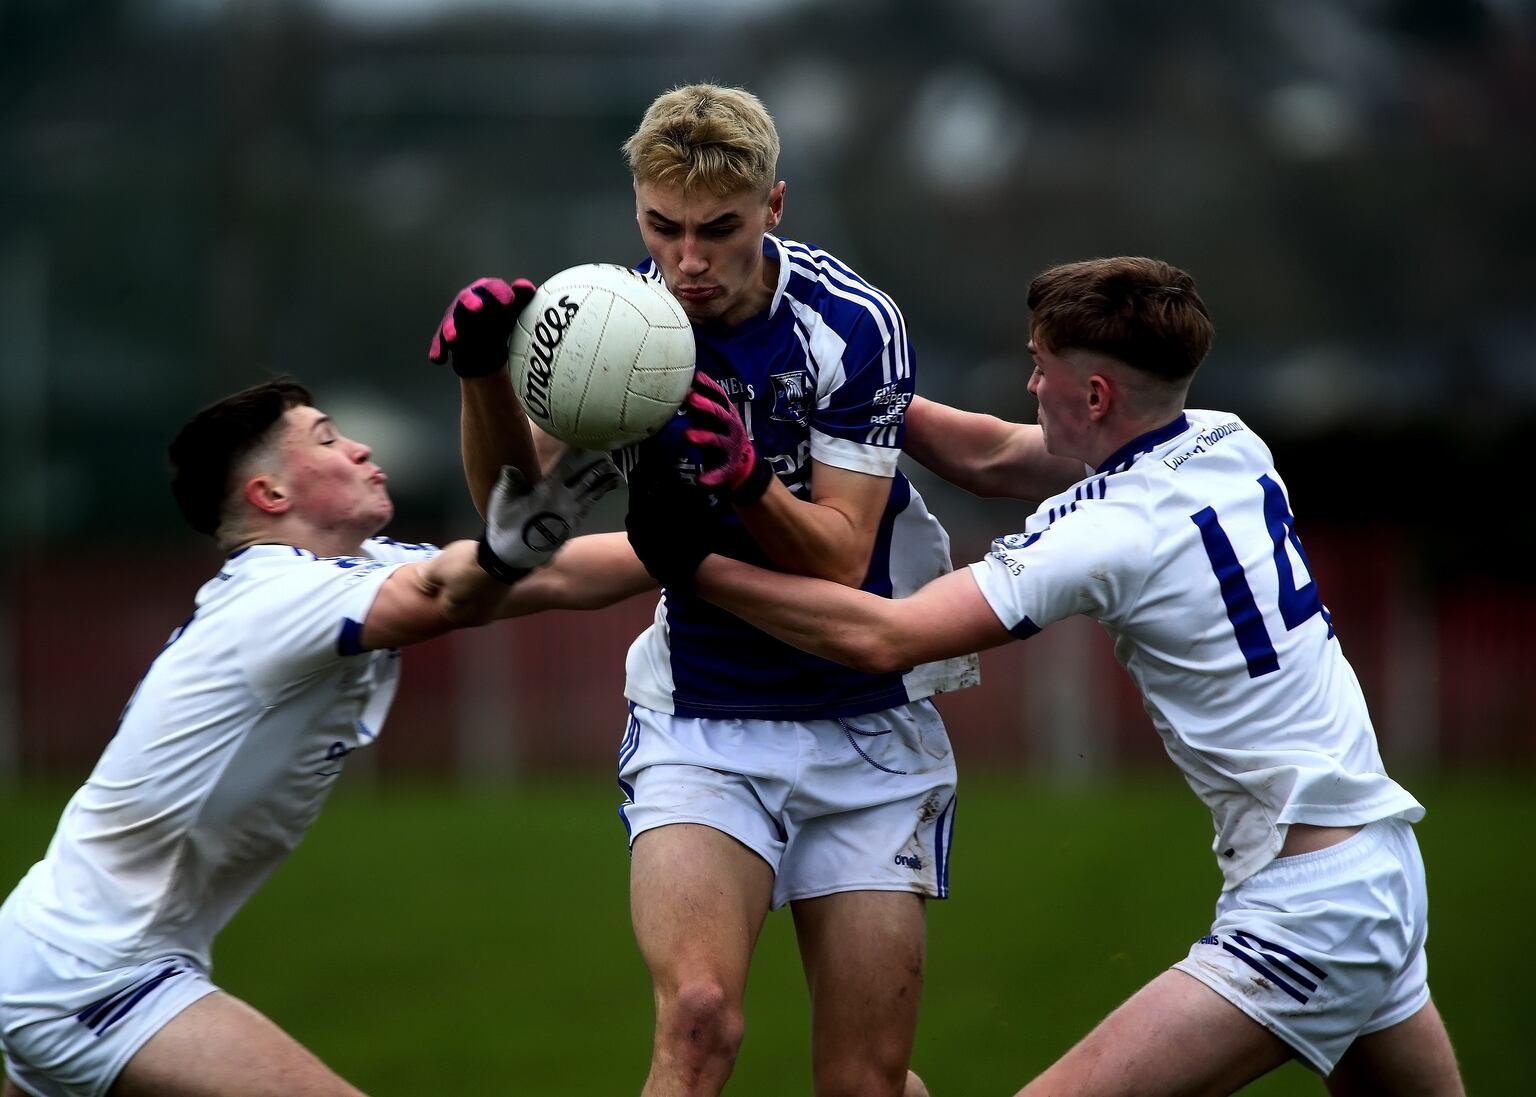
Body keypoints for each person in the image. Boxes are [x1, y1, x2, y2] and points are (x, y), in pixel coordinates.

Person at [630, 257, 1466, 1096]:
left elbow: (884, 637)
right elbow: (994, 455)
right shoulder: (1227, 439)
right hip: (1377, 861)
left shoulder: (1110, 531)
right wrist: (850, 383)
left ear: (1096, 397)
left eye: (1040, 366)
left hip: (1308, 907)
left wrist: (692, 564)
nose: (1029, 383)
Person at [441, 84, 976, 1097]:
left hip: (867, 727)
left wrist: (744, 478)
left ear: (773, 207)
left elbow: (837, 552)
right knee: (697, 1023)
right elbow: (516, 518)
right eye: (663, 227)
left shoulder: (849, 324)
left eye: (719, 230)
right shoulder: (610, 319)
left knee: (865, 1080)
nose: (687, 259)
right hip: (704, 722)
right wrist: (483, 380)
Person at [0, 302, 620, 1097]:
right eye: (327, 438)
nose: (360, 445)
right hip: (94, 971)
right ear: (267, 492)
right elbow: (454, 588)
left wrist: (716, 539)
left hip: (79, 954)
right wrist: (505, 553)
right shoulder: (276, 595)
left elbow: (555, 574)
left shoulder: (348, 570)